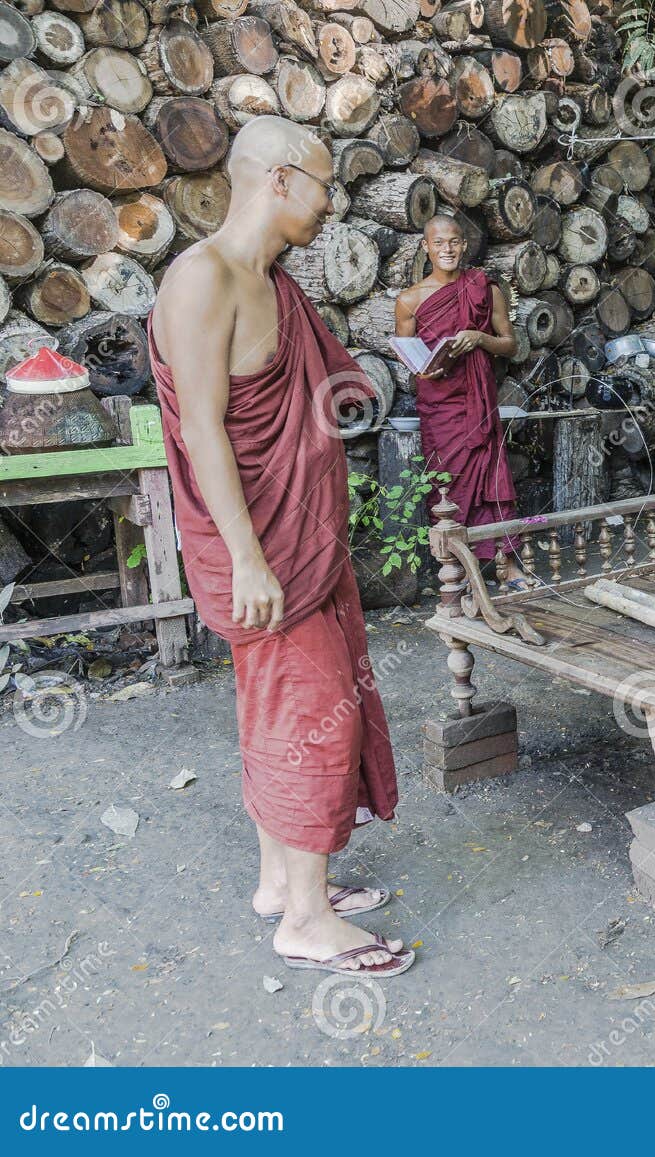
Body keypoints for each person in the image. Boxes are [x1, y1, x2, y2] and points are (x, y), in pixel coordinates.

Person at [148, 117, 412, 979]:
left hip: (304, 539)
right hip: (260, 549)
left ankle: (278, 884)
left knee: (280, 708)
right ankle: (306, 919)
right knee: (314, 714)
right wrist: (249, 556)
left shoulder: (274, 282)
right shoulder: (203, 278)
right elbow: (202, 430)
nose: (334, 205)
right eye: (327, 186)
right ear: (281, 179)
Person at [394, 215, 529, 590]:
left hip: (478, 401)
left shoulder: (484, 288)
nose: (447, 249)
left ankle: (507, 564)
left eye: (454, 241)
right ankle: (459, 569)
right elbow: (407, 357)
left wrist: (480, 338)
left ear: (464, 245)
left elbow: (510, 344)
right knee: (448, 484)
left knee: (491, 476)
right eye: (439, 243)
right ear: (426, 247)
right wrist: (425, 372)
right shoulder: (409, 300)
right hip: (441, 406)